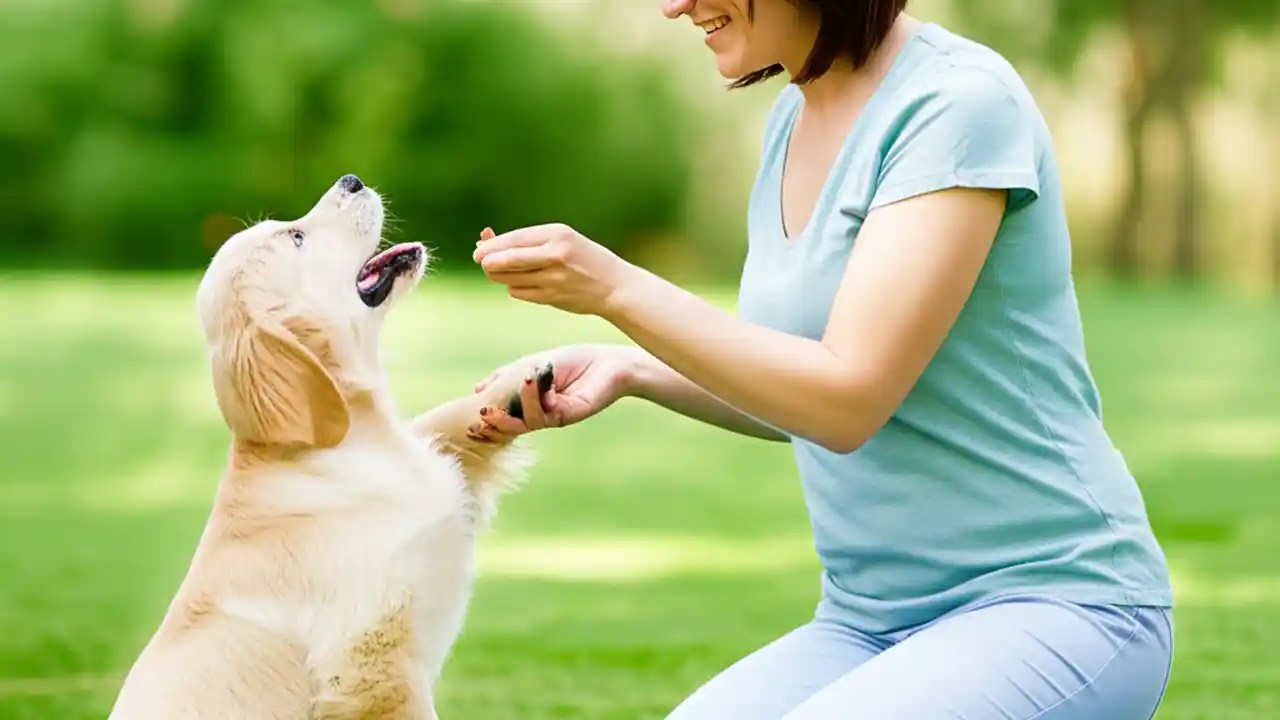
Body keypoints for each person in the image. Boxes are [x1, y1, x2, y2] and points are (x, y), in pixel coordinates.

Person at [465, 1, 1175, 718]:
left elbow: (847, 400)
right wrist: (631, 369)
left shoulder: (956, 105)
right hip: (870, 621)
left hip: (1057, 600)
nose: (674, 4)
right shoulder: (792, 120)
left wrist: (617, 289)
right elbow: (803, 377)